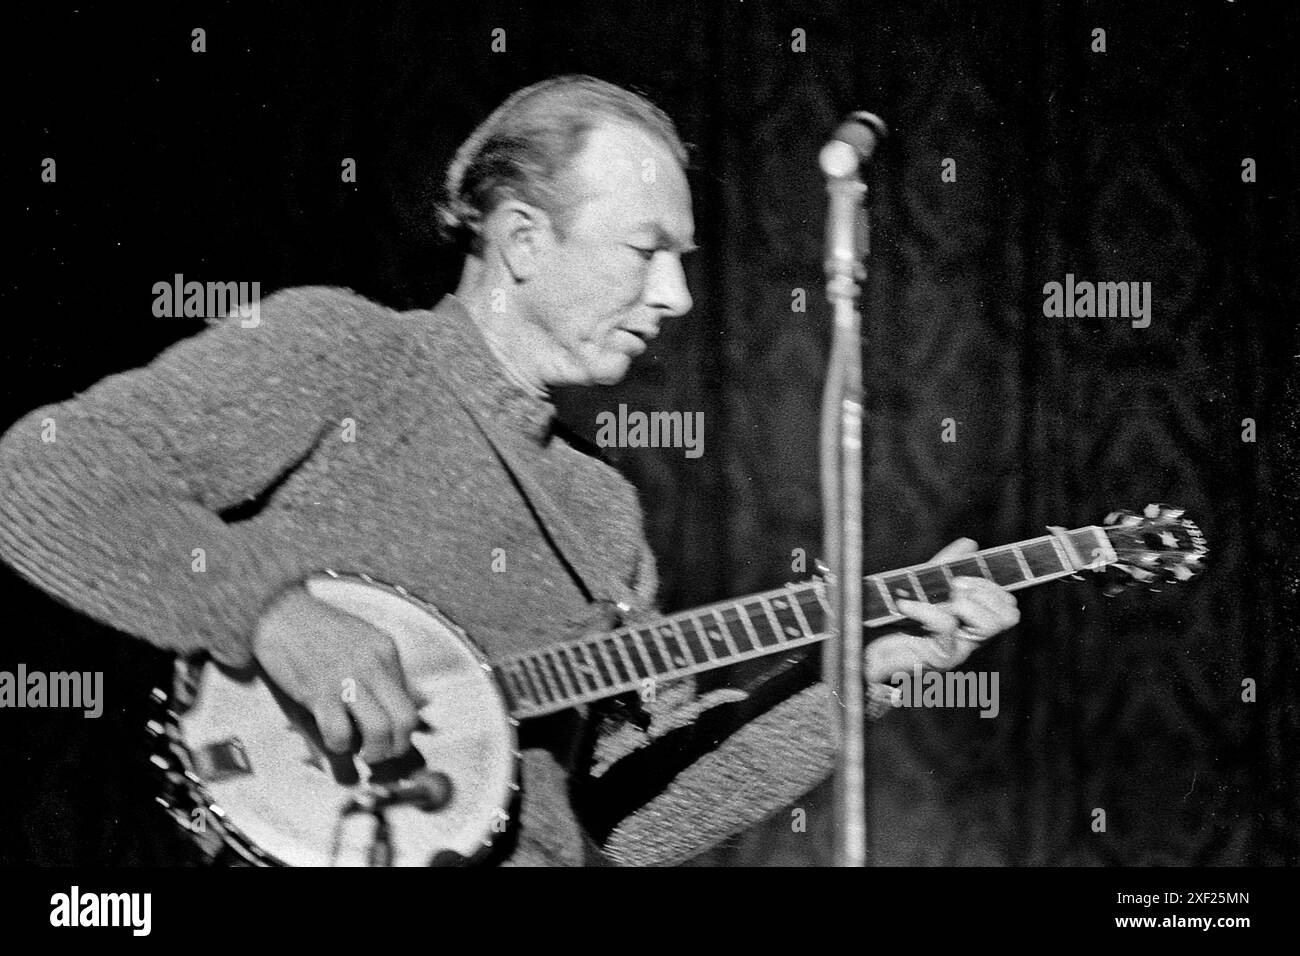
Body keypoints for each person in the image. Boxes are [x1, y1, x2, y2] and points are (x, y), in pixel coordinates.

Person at [0, 75, 1018, 866]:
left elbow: (628, 823)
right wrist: (272, 613)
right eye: (645, 249)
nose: (677, 296)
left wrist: (841, 693)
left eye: (684, 258)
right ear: (523, 240)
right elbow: (38, 482)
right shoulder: (343, 351)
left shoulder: (602, 508)